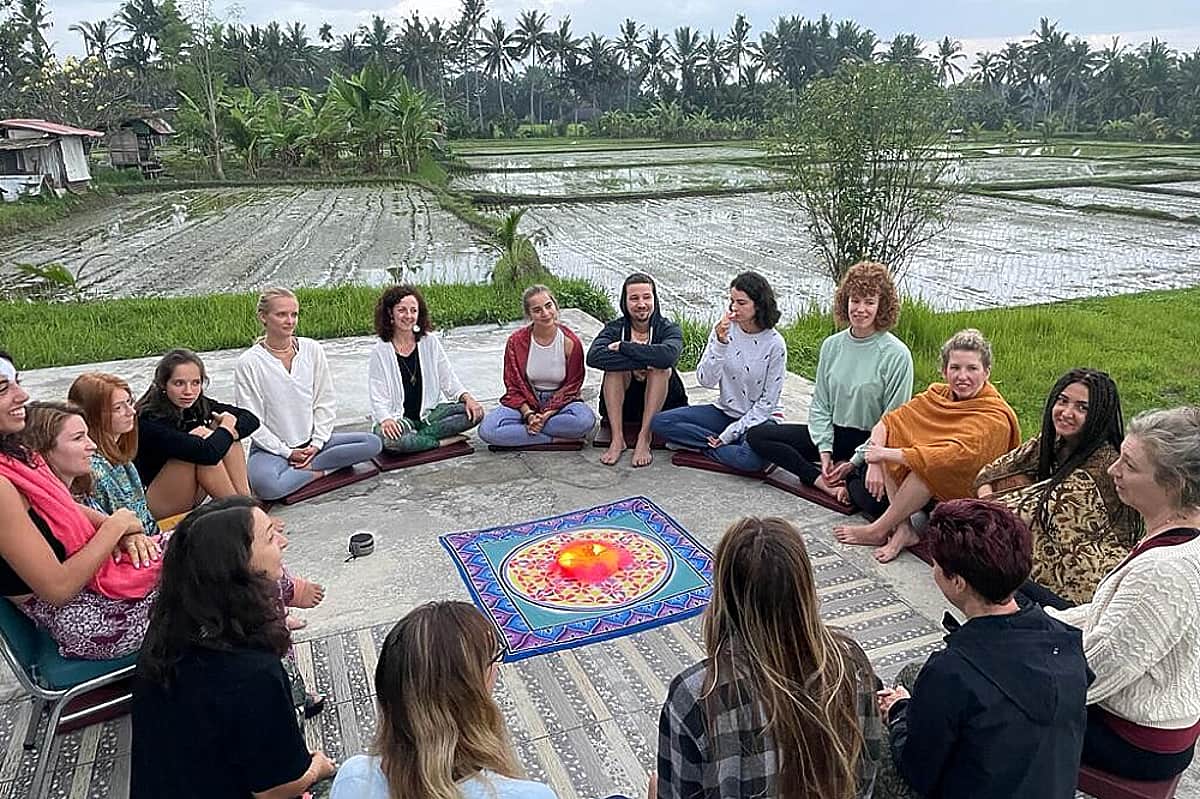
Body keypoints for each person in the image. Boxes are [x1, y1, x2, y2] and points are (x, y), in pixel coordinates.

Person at [876, 499, 1090, 799]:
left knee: (869, 731)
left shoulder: (951, 670)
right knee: (914, 674)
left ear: (958, 582)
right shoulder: (1064, 639)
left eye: (936, 565)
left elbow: (918, 770)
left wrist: (899, 713)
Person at [656, 516, 881, 799]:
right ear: (805, 590)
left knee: (653, 786)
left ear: (724, 594)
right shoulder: (851, 662)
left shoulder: (697, 693)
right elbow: (867, 773)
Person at [131, 497, 337, 799]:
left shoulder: (168, 629)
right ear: (237, 564)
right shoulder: (251, 671)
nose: (283, 542)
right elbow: (273, 790)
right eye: (270, 537)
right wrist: (317, 767)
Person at [1045, 407, 1200, 782]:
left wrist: (1006, 670)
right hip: (1154, 714)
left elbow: (1092, 675)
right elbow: (1111, 615)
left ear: (1174, 483)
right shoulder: (1179, 536)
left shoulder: (1164, 571)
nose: (1113, 471)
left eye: (1129, 465)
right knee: (1024, 605)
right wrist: (1041, 622)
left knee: (975, 707)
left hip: (1135, 739)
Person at [0, 355, 159, 660]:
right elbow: (57, 589)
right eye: (2, 388)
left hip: (96, 593)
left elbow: (62, 506)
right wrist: (115, 527)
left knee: (230, 542)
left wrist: (125, 529)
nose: (22, 395)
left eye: (17, 382)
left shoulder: (16, 453)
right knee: (227, 574)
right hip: (89, 618)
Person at [331, 601, 556, 799]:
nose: (497, 667)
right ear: (471, 695)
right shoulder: (529, 795)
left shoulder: (353, 778)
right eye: (493, 659)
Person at [834, 329, 1021, 563]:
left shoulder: (994, 416)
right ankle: (903, 529)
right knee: (897, 446)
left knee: (926, 467)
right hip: (932, 488)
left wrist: (887, 454)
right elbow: (888, 422)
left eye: (972, 368)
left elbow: (954, 457)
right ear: (944, 371)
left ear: (986, 372)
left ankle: (879, 529)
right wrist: (876, 458)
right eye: (955, 368)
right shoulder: (938, 395)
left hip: (969, 490)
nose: (963, 376)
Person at [747, 262, 912, 503]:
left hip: (872, 443)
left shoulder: (897, 355)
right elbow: (821, 404)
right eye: (855, 300)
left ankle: (850, 472)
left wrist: (856, 461)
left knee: (871, 500)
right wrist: (824, 451)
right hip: (835, 435)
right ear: (845, 301)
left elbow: (892, 420)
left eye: (869, 302)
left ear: (882, 306)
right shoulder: (832, 346)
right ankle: (820, 481)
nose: (860, 309)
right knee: (758, 436)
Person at [976, 368, 1139, 607]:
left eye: (1082, 408)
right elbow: (990, 472)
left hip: (1082, 582)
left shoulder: (1101, 468)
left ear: (1099, 416)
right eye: (1062, 401)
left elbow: (1019, 514)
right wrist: (987, 500)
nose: (1067, 413)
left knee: (983, 556)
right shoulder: (1055, 441)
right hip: (1046, 550)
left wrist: (983, 510)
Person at [234, 287, 382, 501]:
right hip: (272, 451)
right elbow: (252, 421)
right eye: (281, 314)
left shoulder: (312, 350)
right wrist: (287, 452)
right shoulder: (249, 363)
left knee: (373, 443)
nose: (290, 321)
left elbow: (325, 401)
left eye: (294, 314)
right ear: (263, 317)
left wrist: (317, 443)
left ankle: (306, 469)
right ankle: (324, 471)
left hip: (314, 445)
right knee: (266, 486)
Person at [651, 272, 787, 473]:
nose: (733, 308)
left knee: (750, 460)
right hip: (725, 411)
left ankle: (703, 446)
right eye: (731, 301)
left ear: (758, 305)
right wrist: (721, 344)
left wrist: (729, 434)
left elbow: (767, 403)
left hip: (761, 419)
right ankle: (719, 446)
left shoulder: (775, 344)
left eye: (741, 303)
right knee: (660, 422)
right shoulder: (724, 330)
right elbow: (705, 380)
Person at [134, 348, 259, 520]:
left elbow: (250, 419)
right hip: (155, 502)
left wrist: (226, 430)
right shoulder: (149, 419)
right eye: (179, 383)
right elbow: (207, 454)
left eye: (195, 383)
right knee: (207, 451)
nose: (189, 391)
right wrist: (225, 428)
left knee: (228, 438)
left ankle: (249, 507)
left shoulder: (195, 403)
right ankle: (243, 517)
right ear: (163, 384)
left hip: (188, 492)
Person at [586, 273, 688, 467]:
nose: (641, 304)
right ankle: (617, 439)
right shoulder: (615, 328)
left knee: (660, 369)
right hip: (626, 406)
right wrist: (642, 362)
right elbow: (594, 357)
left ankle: (644, 438)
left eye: (646, 297)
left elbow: (669, 356)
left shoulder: (668, 328)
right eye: (634, 298)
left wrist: (626, 348)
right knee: (614, 370)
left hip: (663, 406)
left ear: (654, 300)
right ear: (625, 302)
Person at [368, 285, 484, 454]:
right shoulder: (380, 350)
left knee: (476, 413)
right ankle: (439, 442)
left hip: (429, 415)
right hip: (397, 418)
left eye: (413, 310)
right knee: (392, 442)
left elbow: (448, 378)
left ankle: (417, 439)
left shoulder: (429, 342)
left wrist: (467, 398)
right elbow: (377, 396)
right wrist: (385, 420)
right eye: (402, 310)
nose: (408, 316)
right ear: (390, 313)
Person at [478, 285, 596, 447]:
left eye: (548, 306)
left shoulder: (570, 342)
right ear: (529, 315)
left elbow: (572, 386)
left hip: (561, 404)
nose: (546, 314)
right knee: (487, 430)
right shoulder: (516, 341)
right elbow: (513, 386)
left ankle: (519, 434)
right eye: (537, 310)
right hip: (525, 403)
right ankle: (554, 439)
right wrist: (530, 415)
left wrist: (546, 415)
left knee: (584, 421)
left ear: (555, 306)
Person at [68, 372, 161, 536]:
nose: (131, 411)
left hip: (148, 533)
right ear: (93, 416)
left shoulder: (118, 453)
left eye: (129, 402)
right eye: (118, 408)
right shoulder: (94, 468)